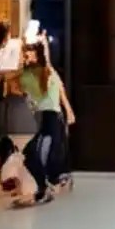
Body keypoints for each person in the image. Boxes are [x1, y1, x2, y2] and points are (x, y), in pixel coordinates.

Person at [10, 42, 75, 205]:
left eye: (29, 52)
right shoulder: (28, 74)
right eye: (25, 53)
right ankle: (45, 187)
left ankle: (45, 187)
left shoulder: (42, 72)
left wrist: (68, 110)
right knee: (34, 154)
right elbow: (15, 87)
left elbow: (60, 89)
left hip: (52, 117)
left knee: (38, 154)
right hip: (48, 117)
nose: (26, 55)